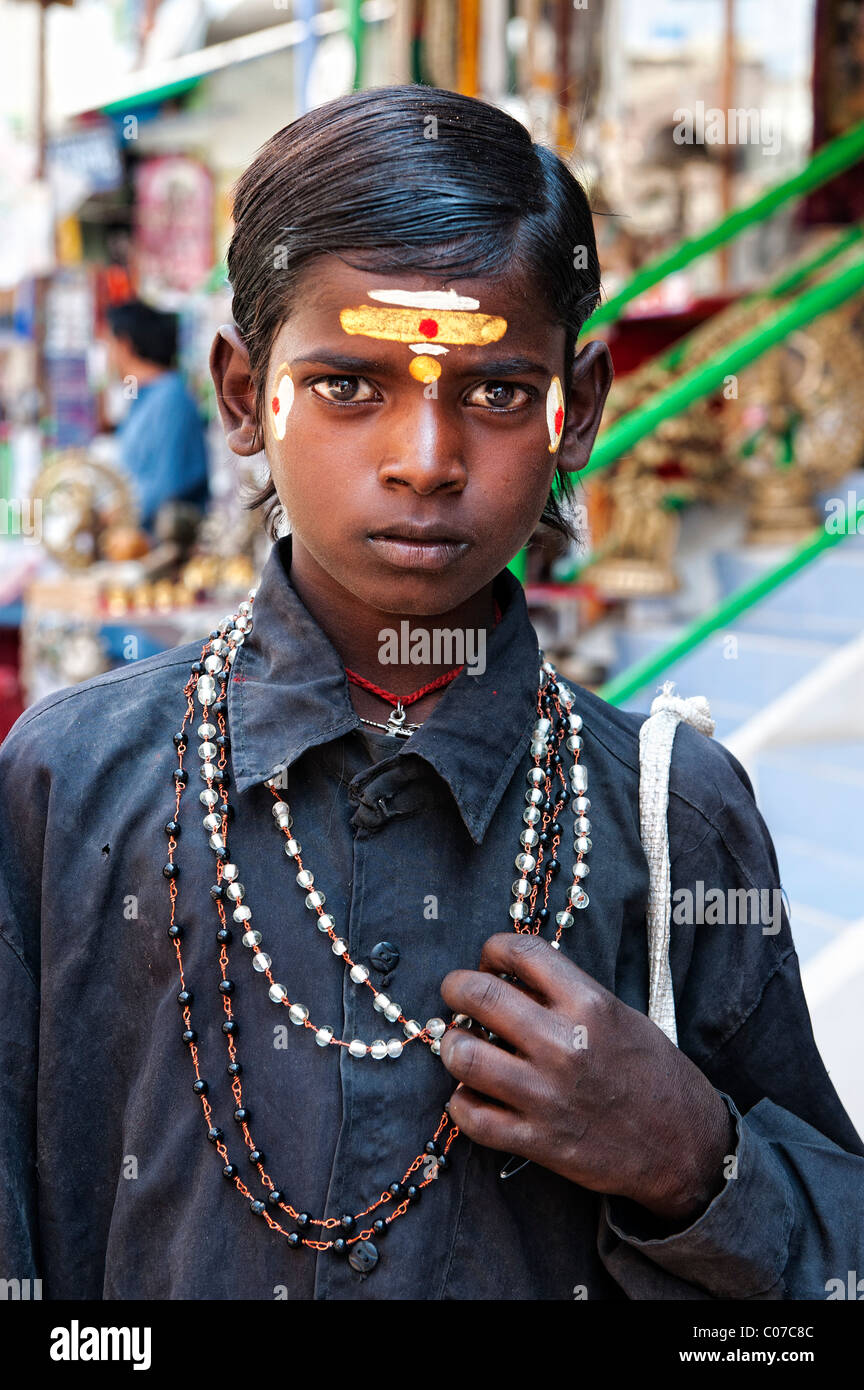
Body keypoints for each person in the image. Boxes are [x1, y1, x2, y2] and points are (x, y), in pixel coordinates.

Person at [0, 86, 862, 1302]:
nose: (426, 457)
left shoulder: (676, 821)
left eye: (498, 391)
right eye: (350, 384)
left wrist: (695, 1159)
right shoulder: (69, 785)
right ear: (247, 397)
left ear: (581, 412)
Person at [105, 299, 210, 532]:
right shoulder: (142, 398)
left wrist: (113, 515)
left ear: (124, 345)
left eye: (108, 345)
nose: (107, 358)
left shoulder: (171, 398)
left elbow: (168, 486)